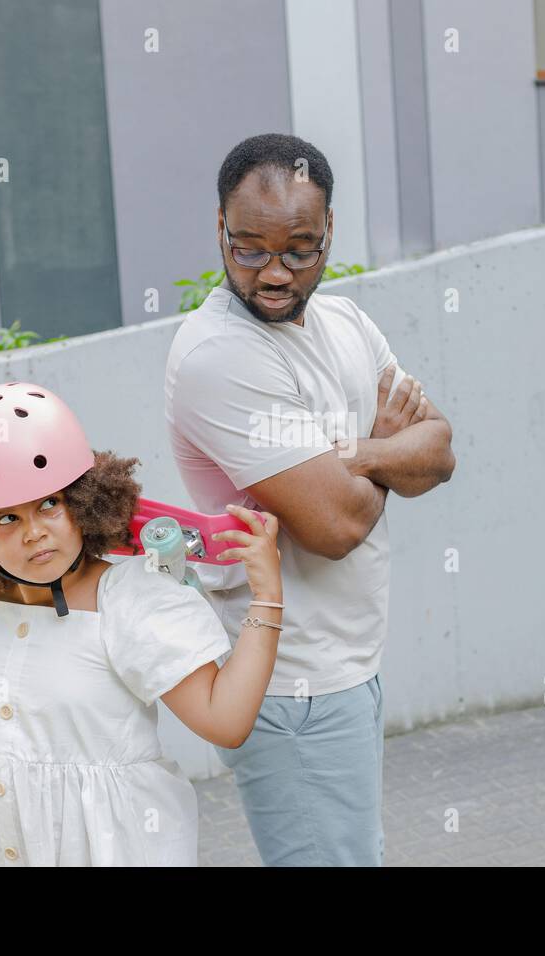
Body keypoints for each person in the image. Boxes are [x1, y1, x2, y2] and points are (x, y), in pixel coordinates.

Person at [164, 133, 456, 866]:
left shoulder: (348, 324)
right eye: (249, 248)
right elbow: (336, 523)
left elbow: (441, 452)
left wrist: (354, 454)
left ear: (330, 235)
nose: (273, 272)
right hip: (291, 687)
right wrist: (385, 450)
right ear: (219, 229)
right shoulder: (217, 357)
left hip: (348, 665)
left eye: (300, 249)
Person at [0, 381, 283, 865]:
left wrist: (269, 599)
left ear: (83, 500)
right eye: (4, 518)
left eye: (50, 503)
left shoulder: (130, 599)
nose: (34, 533)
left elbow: (225, 720)